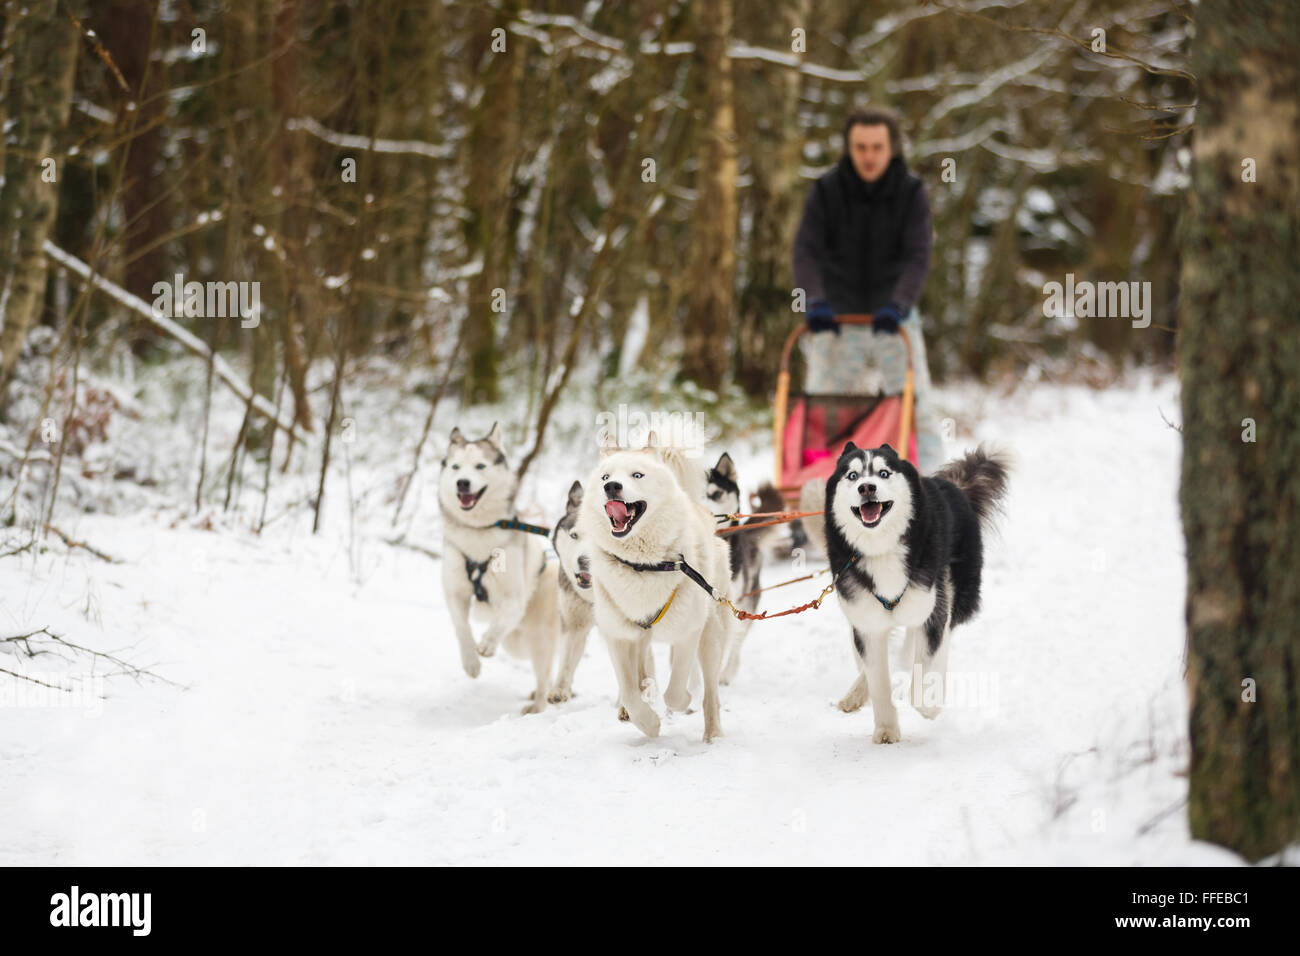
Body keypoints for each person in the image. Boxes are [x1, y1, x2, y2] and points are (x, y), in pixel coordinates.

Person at [792, 106, 943, 473]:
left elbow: (918, 255)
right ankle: (816, 493)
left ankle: (935, 492)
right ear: (849, 148)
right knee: (822, 413)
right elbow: (806, 251)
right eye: (860, 147)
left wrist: (900, 303)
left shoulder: (911, 193)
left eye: (877, 147)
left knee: (917, 406)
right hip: (837, 321)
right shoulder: (826, 191)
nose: (869, 156)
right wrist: (815, 300)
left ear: (892, 148)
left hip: (894, 320)